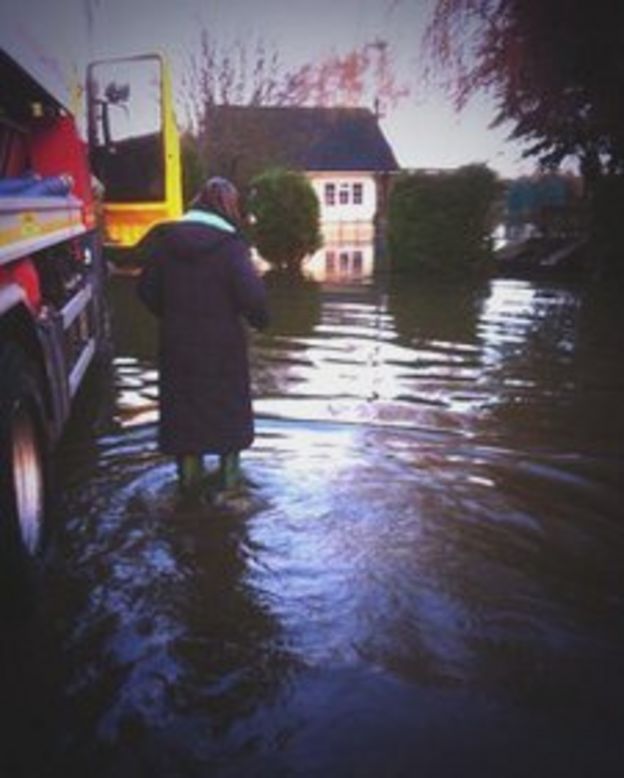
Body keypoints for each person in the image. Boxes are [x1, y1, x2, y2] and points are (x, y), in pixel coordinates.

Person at [136, 177, 269, 497]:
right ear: (228, 207)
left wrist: (174, 318)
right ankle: (230, 491)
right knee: (227, 419)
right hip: (223, 351)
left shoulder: (165, 241)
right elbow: (253, 300)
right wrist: (260, 320)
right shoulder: (231, 247)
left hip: (177, 347)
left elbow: (146, 291)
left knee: (185, 420)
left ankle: (187, 492)